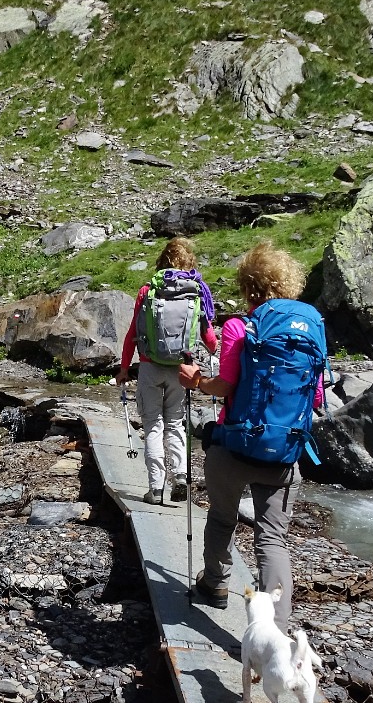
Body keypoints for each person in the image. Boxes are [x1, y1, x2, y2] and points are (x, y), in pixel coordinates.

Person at [177, 242, 327, 625]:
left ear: (248, 286)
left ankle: (215, 584)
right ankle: (275, 629)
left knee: (223, 518)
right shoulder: (310, 328)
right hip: (283, 453)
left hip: (233, 447)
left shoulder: (239, 327)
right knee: (272, 539)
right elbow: (316, 399)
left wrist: (198, 382)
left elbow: (225, 386)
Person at [115, 237, 218, 505]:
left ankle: (156, 489)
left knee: (153, 426)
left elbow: (132, 334)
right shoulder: (196, 292)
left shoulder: (148, 290)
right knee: (175, 424)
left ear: (163, 260)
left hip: (149, 367)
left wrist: (124, 369)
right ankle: (181, 476)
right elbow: (210, 340)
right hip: (181, 369)